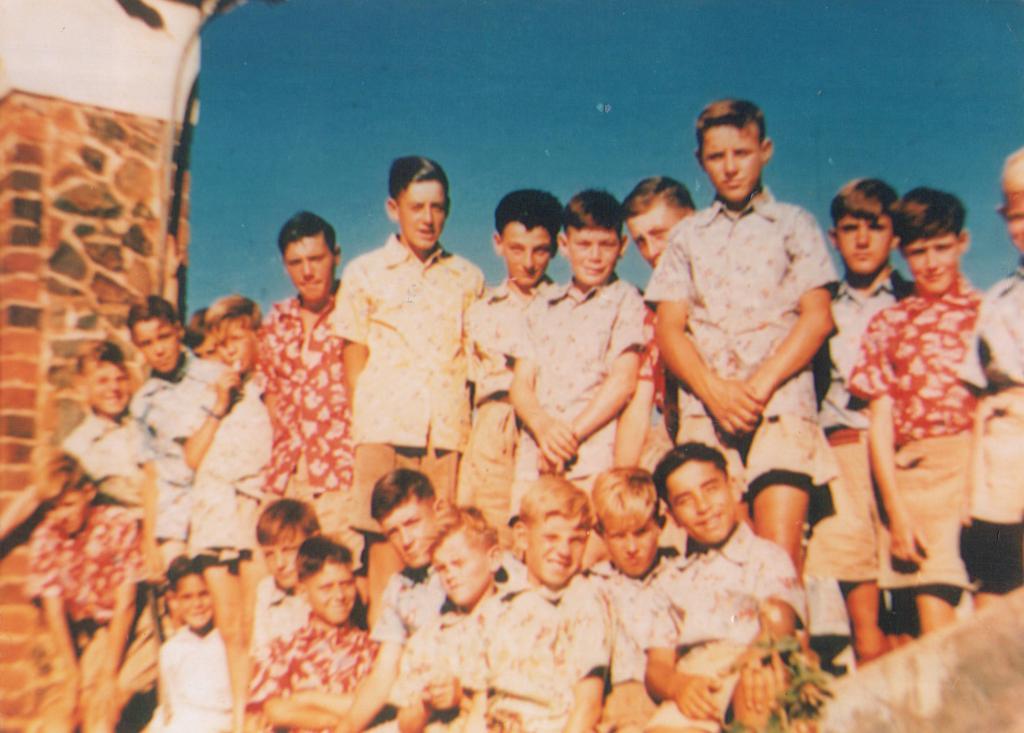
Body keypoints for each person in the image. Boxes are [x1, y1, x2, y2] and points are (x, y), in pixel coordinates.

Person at [645, 99, 837, 572]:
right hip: (707, 411)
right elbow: (669, 329)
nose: (730, 167)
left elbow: (817, 318)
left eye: (742, 153)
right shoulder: (687, 236)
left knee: (778, 562)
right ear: (700, 161)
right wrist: (715, 391)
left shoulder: (794, 224)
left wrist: (757, 388)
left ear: (764, 151)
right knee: (718, 560)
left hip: (779, 405)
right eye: (717, 156)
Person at [333, 157, 484, 611]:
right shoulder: (365, 272)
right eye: (416, 207)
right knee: (385, 547)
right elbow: (353, 354)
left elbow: (472, 361)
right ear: (392, 208)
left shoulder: (467, 277)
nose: (427, 218)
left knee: (439, 545)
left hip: (443, 436)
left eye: (437, 207)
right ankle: (386, 642)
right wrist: (369, 423)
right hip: (383, 432)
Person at [849, 188, 981, 636]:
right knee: (936, 627)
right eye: (919, 252)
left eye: (942, 247)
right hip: (918, 481)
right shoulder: (890, 324)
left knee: (997, 618)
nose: (932, 263)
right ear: (902, 252)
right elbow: (880, 425)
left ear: (963, 242)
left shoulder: (987, 312)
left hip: (980, 467)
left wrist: (978, 484)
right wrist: (897, 512)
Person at [804, 179, 912, 664]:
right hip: (843, 452)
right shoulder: (820, 304)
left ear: (895, 235)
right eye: (851, 229)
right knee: (864, 621)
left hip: (902, 455)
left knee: (909, 603)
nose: (863, 240)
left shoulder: (911, 299)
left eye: (876, 227)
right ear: (834, 237)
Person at [645, 443, 808, 733]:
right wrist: (677, 686)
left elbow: (781, 617)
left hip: (754, 660)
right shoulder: (671, 579)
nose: (703, 506)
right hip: (698, 680)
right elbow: (657, 665)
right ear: (672, 516)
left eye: (710, 489)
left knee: (759, 688)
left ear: (733, 486)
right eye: (685, 500)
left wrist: (754, 657)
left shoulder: (764, 556)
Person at [510, 189, 646, 500]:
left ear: (622, 246)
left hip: (592, 461)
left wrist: (568, 438)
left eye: (606, 244)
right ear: (564, 245)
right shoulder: (541, 305)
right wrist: (544, 428)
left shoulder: (627, 300)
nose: (594, 256)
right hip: (535, 460)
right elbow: (521, 384)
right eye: (584, 244)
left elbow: (623, 381)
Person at [188, 294, 273, 732]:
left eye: (237, 340)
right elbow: (192, 457)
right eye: (221, 345)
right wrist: (218, 406)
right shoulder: (207, 393)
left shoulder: (269, 388)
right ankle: (238, 718)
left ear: (256, 338)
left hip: (253, 509)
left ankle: (257, 715)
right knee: (231, 628)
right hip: (215, 511)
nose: (229, 352)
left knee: (258, 620)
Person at [468, 476, 612, 733]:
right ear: (522, 537)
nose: (564, 551)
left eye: (576, 540)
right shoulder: (497, 608)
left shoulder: (584, 602)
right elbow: (480, 706)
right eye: (551, 537)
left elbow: (587, 705)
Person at [458, 189, 562, 546]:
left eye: (540, 250)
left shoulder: (565, 307)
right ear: (498, 243)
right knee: (489, 533)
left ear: (556, 248)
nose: (528, 263)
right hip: (494, 430)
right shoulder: (480, 310)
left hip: (544, 427)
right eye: (517, 249)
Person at [26, 453, 157, 733]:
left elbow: (126, 605)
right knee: (61, 717)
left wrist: (109, 676)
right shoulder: (47, 536)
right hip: (92, 634)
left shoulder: (116, 523)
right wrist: (72, 677)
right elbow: (54, 611)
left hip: (131, 628)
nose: (61, 515)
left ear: (88, 493)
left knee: (102, 713)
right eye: (53, 508)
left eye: (69, 505)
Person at [258, 211, 356, 541]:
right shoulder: (277, 320)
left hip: (340, 473)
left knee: (338, 562)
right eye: (296, 262)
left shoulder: (356, 310)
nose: (308, 272)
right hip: (285, 475)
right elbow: (271, 397)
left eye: (316, 259)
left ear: (336, 256)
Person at [960, 148, 1024, 609]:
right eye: (1018, 215)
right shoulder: (997, 301)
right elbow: (976, 396)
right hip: (1006, 452)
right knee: (998, 590)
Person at [337, 470, 448, 733]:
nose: (406, 541)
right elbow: (383, 674)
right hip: (418, 711)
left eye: (412, 523)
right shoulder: (400, 587)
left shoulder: (467, 564)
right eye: (393, 532)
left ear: (438, 509)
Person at [129, 295, 233, 564]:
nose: (158, 350)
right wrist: (149, 541)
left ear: (178, 330)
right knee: (176, 581)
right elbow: (151, 476)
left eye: (163, 337)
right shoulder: (143, 403)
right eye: (147, 343)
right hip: (174, 517)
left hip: (218, 502)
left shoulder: (215, 375)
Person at [389, 507, 508, 732]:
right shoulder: (431, 636)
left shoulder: (515, 620)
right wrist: (426, 704)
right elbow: (406, 724)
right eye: (442, 568)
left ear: (493, 559)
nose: (450, 575)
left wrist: (461, 697)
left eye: (458, 563)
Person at [248, 536, 377, 732]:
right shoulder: (282, 650)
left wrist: (306, 699)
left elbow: (368, 704)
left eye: (346, 584)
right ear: (303, 591)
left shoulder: (370, 649)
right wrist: (335, 721)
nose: (339, 596)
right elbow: (275, 711)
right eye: (326, 587)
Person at [588, 468, 677, 732]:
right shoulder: (593, 585)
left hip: (670, 699)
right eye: (618, 536)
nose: (631, 548)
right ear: (601, 533)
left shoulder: (679, 576)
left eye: (641, 532)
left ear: (660, 524)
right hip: (615, 702)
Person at [617, 177, 695, 470]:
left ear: (691, 221)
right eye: (640, 241)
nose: (651, 251)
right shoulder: (649, 311)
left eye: (660, 234)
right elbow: (644, 399)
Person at [149, 556, 232, 733]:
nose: (197, 604)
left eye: (204, 594)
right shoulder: (171, 650)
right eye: (187, 597)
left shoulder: (227, 641)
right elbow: (168, 707)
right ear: (175, 601)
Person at [251, 499, 321, 656]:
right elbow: (260, 652)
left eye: (288, 550)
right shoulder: (267, 592)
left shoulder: (330, 587)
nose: (279, 563)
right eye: (269, 554)